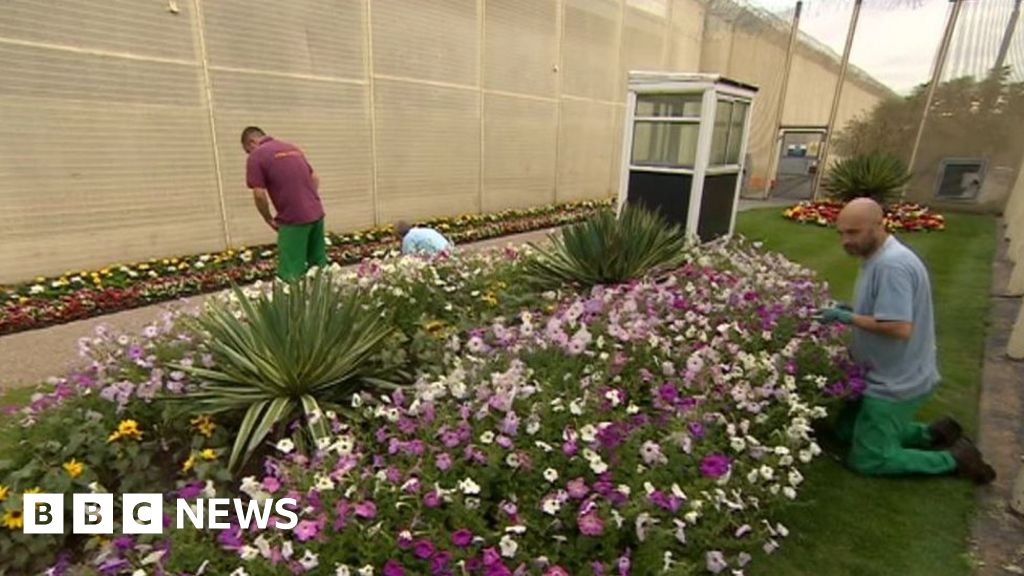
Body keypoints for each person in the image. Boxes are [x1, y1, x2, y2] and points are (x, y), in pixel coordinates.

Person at [817, 198, 995, 484]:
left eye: (853, 232)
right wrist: (852, 310)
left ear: (879, 225)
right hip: (878, 372)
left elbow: (899, 327)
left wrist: (845, 318)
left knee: (868, 459)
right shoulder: (876, 257)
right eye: (841, 233)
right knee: (844, 433)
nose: (844, 241)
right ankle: (934, 434)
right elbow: (884, 312)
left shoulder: (892, 266)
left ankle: (954, 459)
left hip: (894, 381)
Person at [241, 126, 328, 281]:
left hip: (293, 219)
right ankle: (324, 301)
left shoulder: (257, 156)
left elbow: (259, 195)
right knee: (318, 268)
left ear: (252, 142)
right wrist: (306, 200)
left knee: (291, 273)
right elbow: (314, 177)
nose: (249, 154)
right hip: (316, 213)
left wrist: (268, 218)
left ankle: (296, 304)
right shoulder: (292, 148)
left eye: (247, 150)